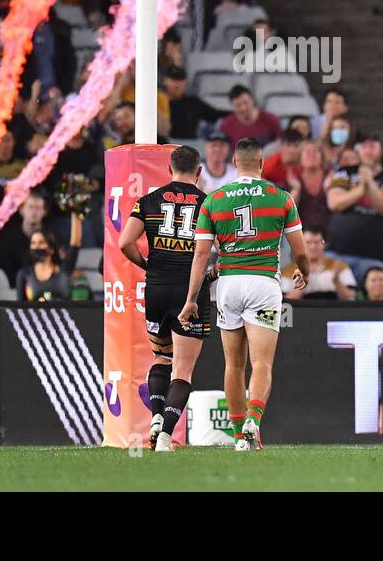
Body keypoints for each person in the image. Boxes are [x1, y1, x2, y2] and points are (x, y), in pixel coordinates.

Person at [181, 138, 308, 451]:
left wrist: (191, 298)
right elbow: (301, 249)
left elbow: (200, 256)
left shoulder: (213, 199)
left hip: (229, 283)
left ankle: (240, 436)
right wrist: (304, 270)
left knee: (233, 365)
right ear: (262, 163)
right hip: (264, 283)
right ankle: (253, 420)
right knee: (262, 363)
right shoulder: (281, 198)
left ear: (234, 164)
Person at [119, 145, 209, 452]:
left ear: (169, 170)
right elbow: (220, 251)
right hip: (189, 292)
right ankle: (167, 435)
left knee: (161, 357)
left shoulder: (148, 200)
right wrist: (210, 275)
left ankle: (157, 417)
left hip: (156, 288)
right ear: (199, 171)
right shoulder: (208, 204)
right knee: (182, 370)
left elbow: (124, 241)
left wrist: (146, 264)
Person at [325, 135, 383, 275]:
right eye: (364, 146)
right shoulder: (345, 172)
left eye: (373, 146)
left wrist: (370, 183)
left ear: (382, 152)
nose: (368, 150)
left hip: (373, 257)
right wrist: (362, 189)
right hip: (337, 252)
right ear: (358, 151)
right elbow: (334, 203)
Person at [216, 85, 281, 147]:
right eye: (238, 105)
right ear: (233, 106)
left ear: (252, 100)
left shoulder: (271, 120)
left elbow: (279, 146)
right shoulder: (226, 126)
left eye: (246, 102)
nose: (243, 108)